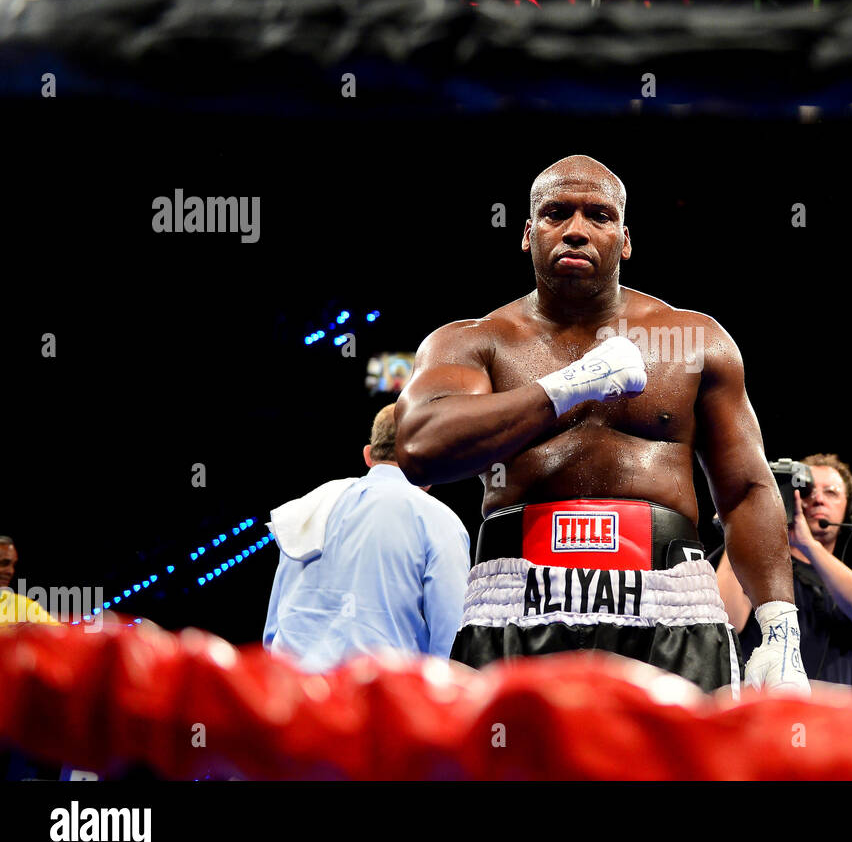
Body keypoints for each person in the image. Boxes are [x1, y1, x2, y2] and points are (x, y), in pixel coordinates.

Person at [395, 154, 808, 696]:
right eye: (556, 214)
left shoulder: (693, 339)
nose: (575, 231)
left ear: (626, 239)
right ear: (527, 233)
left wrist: (780, 629)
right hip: (515, 600)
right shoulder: (473, 340)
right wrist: (566, 388)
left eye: (599, 216)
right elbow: (421, 447)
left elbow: (746, 489)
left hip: (671, 603)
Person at [263, 404, 470, 672]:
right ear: (430, 460)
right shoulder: (439, 520)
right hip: (380, 698)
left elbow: (273, 633)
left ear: (368, 456)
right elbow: (449, 641)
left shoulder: (309, 506)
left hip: (297, 696)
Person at [713, 454, 852, 684]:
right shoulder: (759, 569)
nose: (818, 499)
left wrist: (806, 543)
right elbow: (726, 622)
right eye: (807, 490)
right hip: (761, 714)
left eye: (831, 492)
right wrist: (740, 528)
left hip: (825, 718)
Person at [0, 536, 56, 625]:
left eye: (13, 565)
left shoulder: (22, 605)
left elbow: (62, 633)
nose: (11, 571)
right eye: (4, 563)